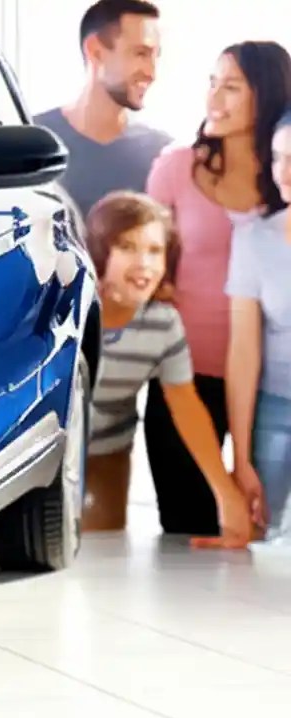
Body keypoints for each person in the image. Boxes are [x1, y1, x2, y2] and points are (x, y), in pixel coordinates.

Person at [145, 41, 291, 536]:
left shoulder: (284, 178)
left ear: (267, 96)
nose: (214, 97)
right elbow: (150, 272)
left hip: (270, 385)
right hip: (187, 379)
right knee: (188, 530)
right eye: (212, 83)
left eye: (231, 87)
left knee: (263, 532)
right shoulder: (174, 168)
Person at [82, 191, 255, 548]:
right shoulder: (74, 312)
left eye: (155, 251)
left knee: (100, 545)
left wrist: (225, 493)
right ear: (99, 252)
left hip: (108, 449)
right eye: (127, 247)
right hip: (54, 441)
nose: (144, 262)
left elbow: (187, 407)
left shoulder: (162, 325)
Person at [34, 0, 172, 219]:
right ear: (96, 51)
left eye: (156, 56)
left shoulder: (161, 155)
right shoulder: (34, 140)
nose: (151, 72)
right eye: (140, 53)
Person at [225, 107, 291, 541]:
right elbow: (244, 353)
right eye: (277, 157)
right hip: (276, 415)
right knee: (261, 542)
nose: (283, 172)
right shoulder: (253, 239)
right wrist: (242, 459)